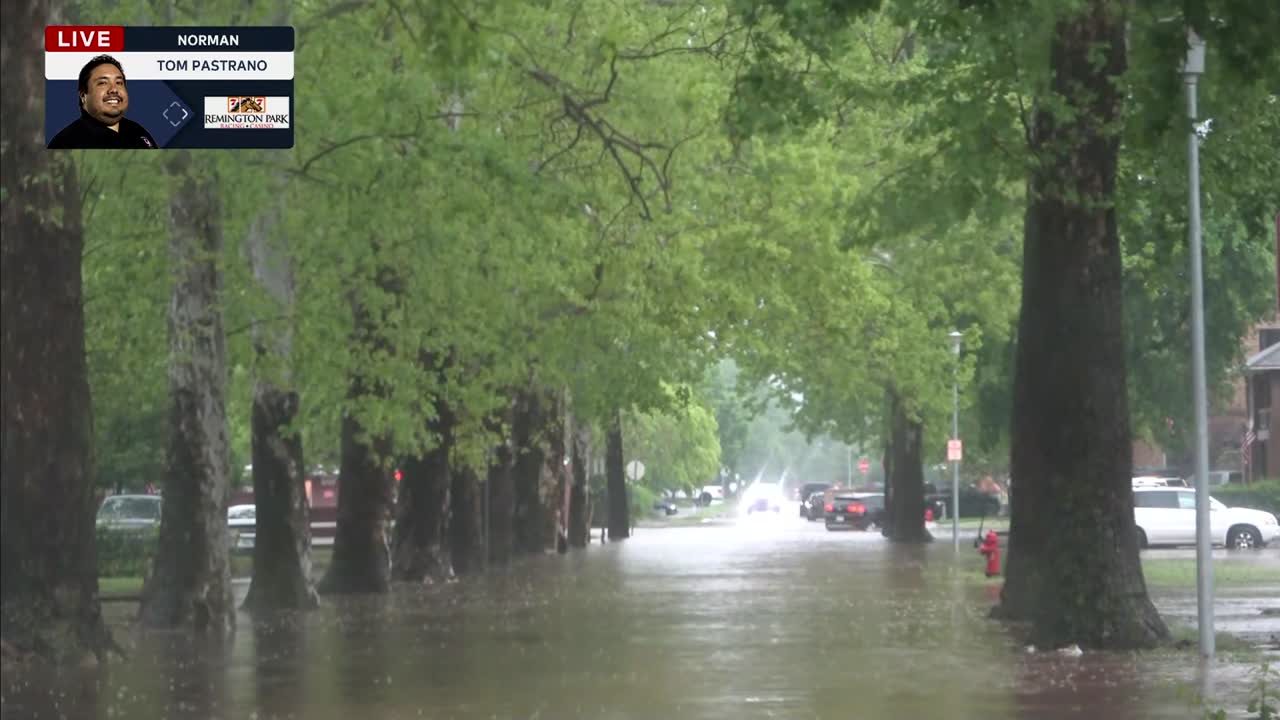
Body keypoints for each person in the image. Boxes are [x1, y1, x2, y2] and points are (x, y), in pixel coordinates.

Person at [48, 55, 157, 149]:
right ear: (83, 96)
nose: (114, 89)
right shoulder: (65, 143)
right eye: (103, 83)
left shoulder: (138, 131)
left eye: (119, 82)